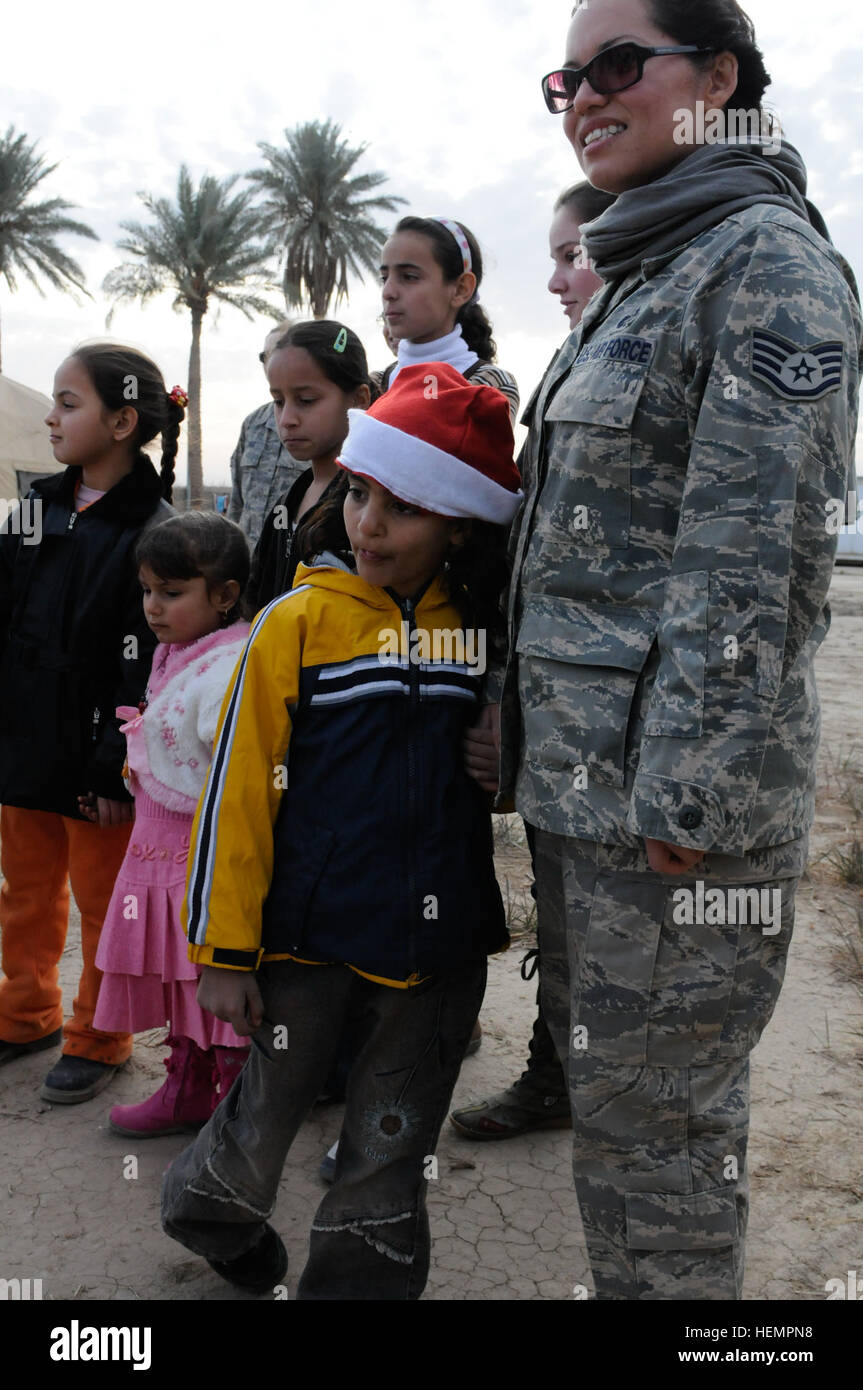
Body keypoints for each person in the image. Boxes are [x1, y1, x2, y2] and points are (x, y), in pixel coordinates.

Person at [485, 0, 862, 1299]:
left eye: (614, 65)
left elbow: (755, 564)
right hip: (601, 813)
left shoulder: (759, 262)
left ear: (715, 79)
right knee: (622, 1119)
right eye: (564, 76)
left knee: (665, 1144)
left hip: (672, 826)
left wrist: (689, 804)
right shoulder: (644, 265)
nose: (582, 93)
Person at [161, 364, 523, 1299]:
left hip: (436, 952)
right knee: (263, 1120)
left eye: (403, 508)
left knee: (389, 1143)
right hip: (303, 944)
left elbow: (503, 775)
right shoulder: (296, 624)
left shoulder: (481, 636)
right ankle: (207, 1209)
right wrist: (226, 950)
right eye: (362, 493)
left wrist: (505, 759)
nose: (368, 523)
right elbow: (237, 795)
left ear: (459, 525)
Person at [452, 180, 616, 1142]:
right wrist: (502, 702)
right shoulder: (571, 365)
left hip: (622, 722)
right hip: (552, 708)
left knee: (620, 939)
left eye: (573, 255)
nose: (555, 279)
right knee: (560, 919)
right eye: (552, 256)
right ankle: (554, 1081)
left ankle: (612, 1104)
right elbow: (529, 564)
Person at [0, 343, 180, 1103]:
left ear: (121, 421)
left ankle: (98, 1037)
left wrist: (114, 761)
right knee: (25, 892)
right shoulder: (35, 508)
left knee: (104, 904)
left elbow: (145, 664)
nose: (51, 416)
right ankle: (24, 1014)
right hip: (21, 740)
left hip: (95, 756)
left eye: (68, 403)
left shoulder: (155, 529)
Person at [90, 512, 252, 1136]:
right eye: (147, 590)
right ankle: (186, 1086)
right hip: (155, 852)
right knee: (178, 983)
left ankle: (236, 1113)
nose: (153, 607)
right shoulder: (177, 653)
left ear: (225, 595)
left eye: (172, 592)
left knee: (209, 985)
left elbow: (234, 777)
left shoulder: (230, 667)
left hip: (196, 856)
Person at [244, 322, 371, 612]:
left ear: (359, 399)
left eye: (306, 400)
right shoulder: (287, 502)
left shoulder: (365, 507)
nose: (287, 418)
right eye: (278, 401)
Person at [377, 215, 520, 424]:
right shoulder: (373, 385)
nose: (388, 292)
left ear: (461, 289)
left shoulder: (489, 386)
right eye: (384, 278)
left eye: (409, 276)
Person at [227, 322, 305, 546]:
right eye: (265, 355)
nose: (271, 360)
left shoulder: (321, 423)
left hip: (292, 558)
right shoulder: (253, 423)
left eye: (279, 350)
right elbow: (237, 501)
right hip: (249, 557)